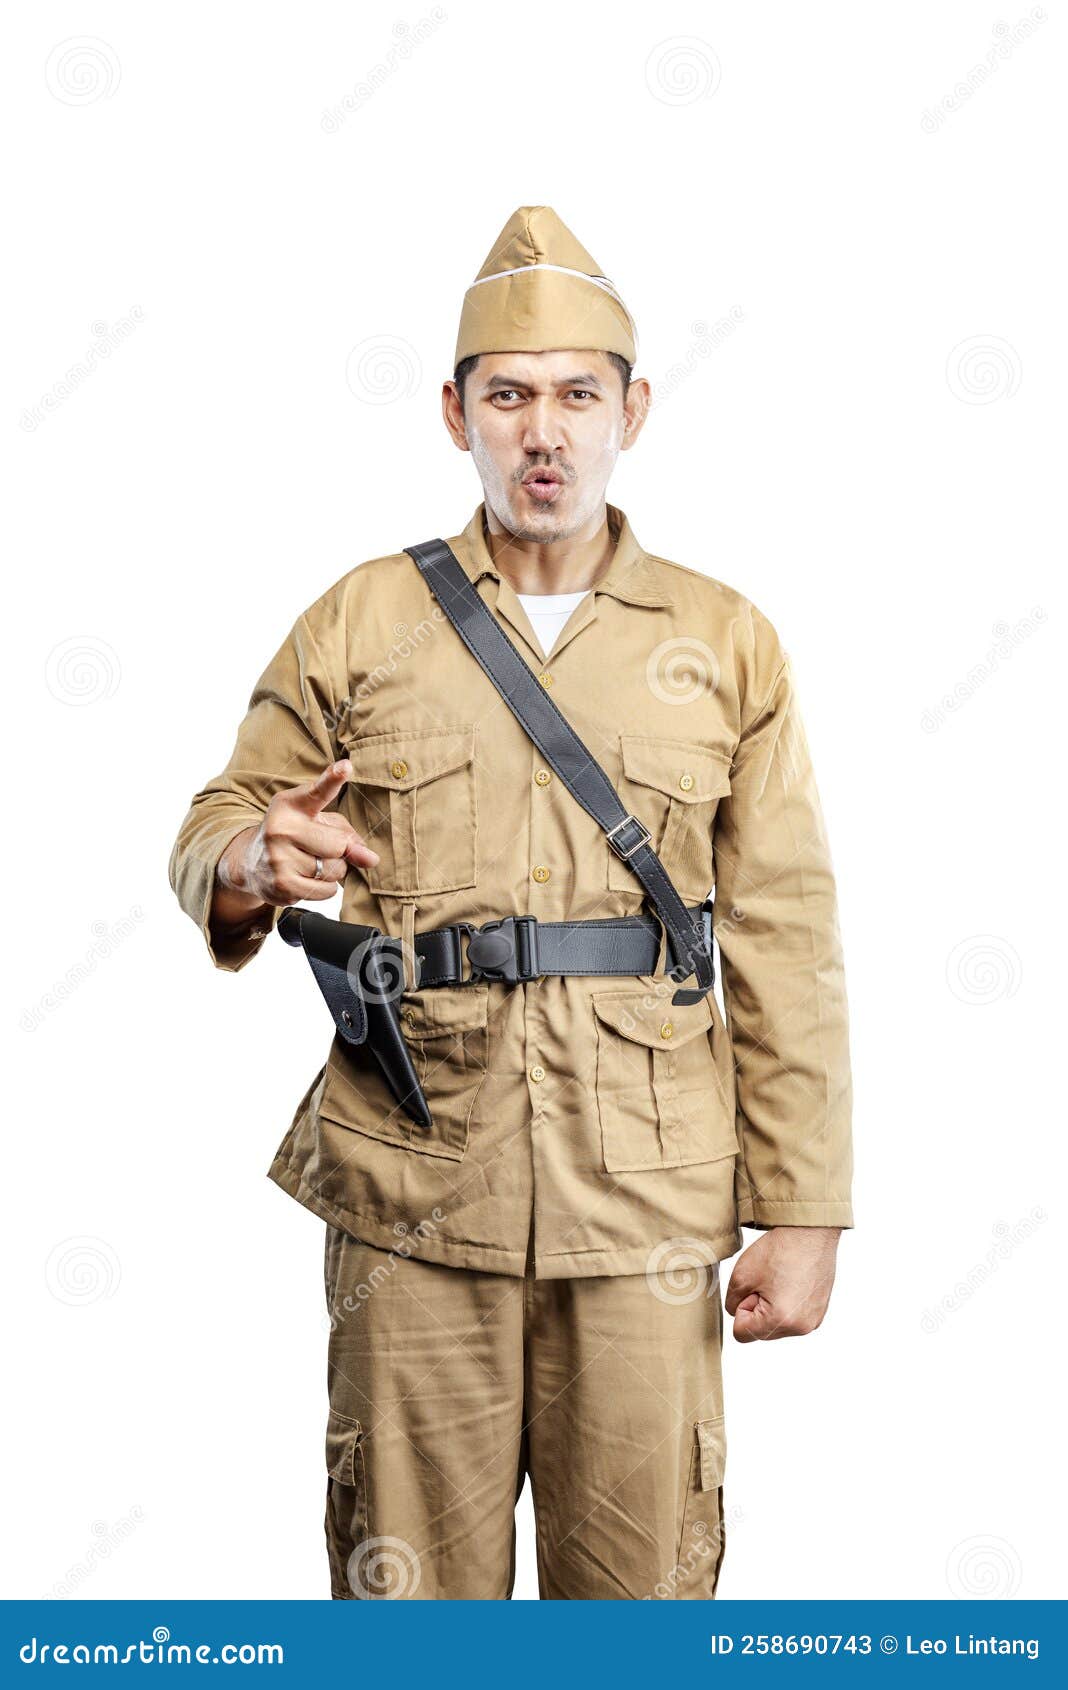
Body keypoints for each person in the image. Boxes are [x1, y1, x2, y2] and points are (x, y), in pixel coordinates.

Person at [168, 205, 854, 1601]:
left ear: (632, 413)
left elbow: (785, 935)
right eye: (510, 396)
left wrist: (806, 1208)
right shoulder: (363, 620)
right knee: (408, 1619)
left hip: (647, 1201)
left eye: (578, 396)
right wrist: (248, 865)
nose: (545, 433)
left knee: (639, 1613)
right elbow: (219, 821)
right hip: (413, 1193)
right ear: (456, 413)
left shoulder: (725, 642)